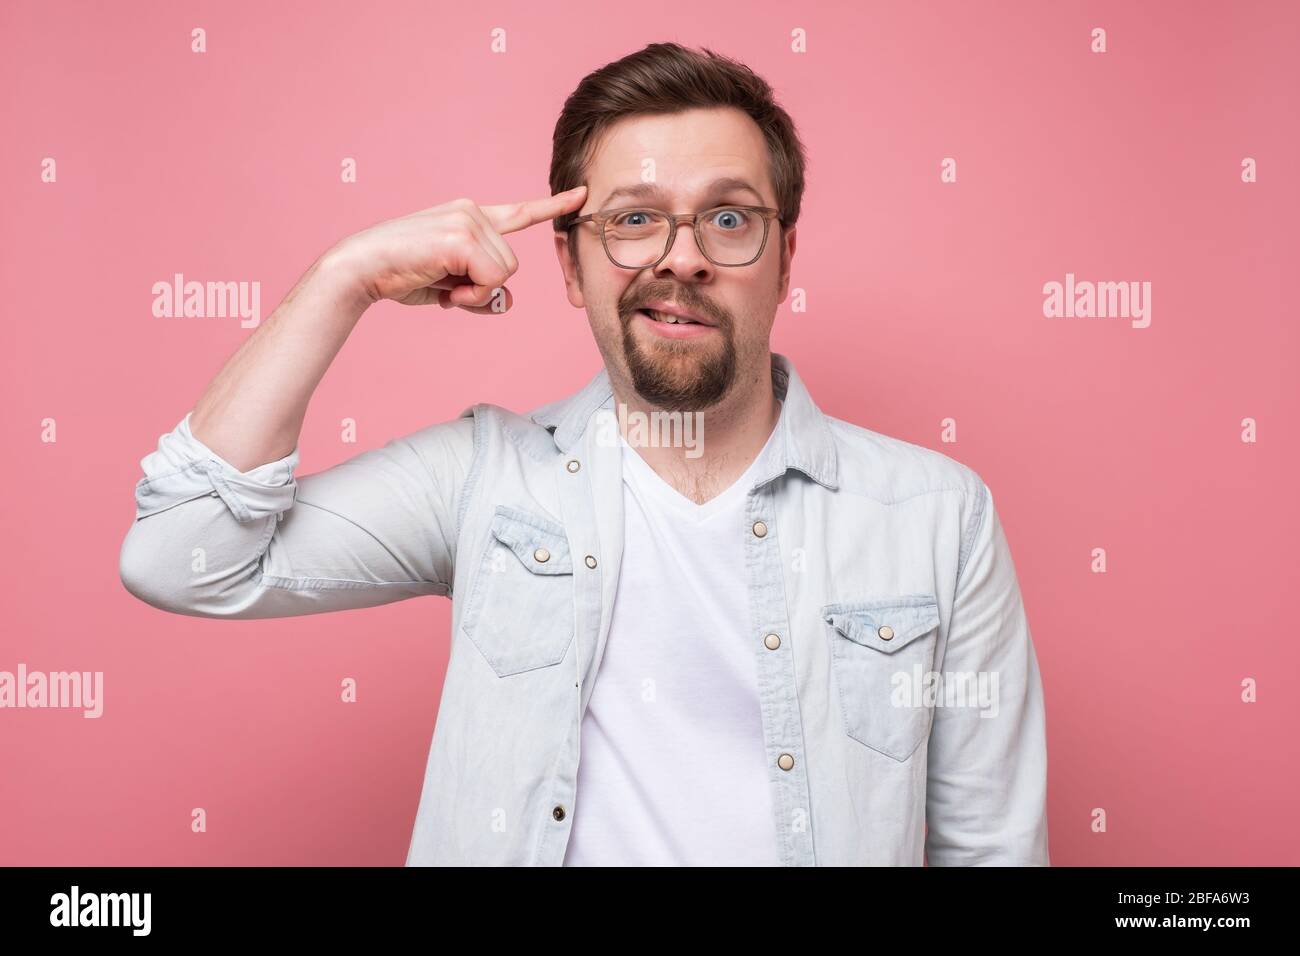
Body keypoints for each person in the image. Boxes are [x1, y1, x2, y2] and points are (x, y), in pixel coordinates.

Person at [119, 41, 1049, 866]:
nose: (681, 258)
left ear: (786, 256)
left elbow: (993, 848)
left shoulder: (938, 516)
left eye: (729, 219)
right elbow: (180, 556)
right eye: (634, 219)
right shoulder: (486, 479)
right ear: (569, 263)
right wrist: (344, 278)